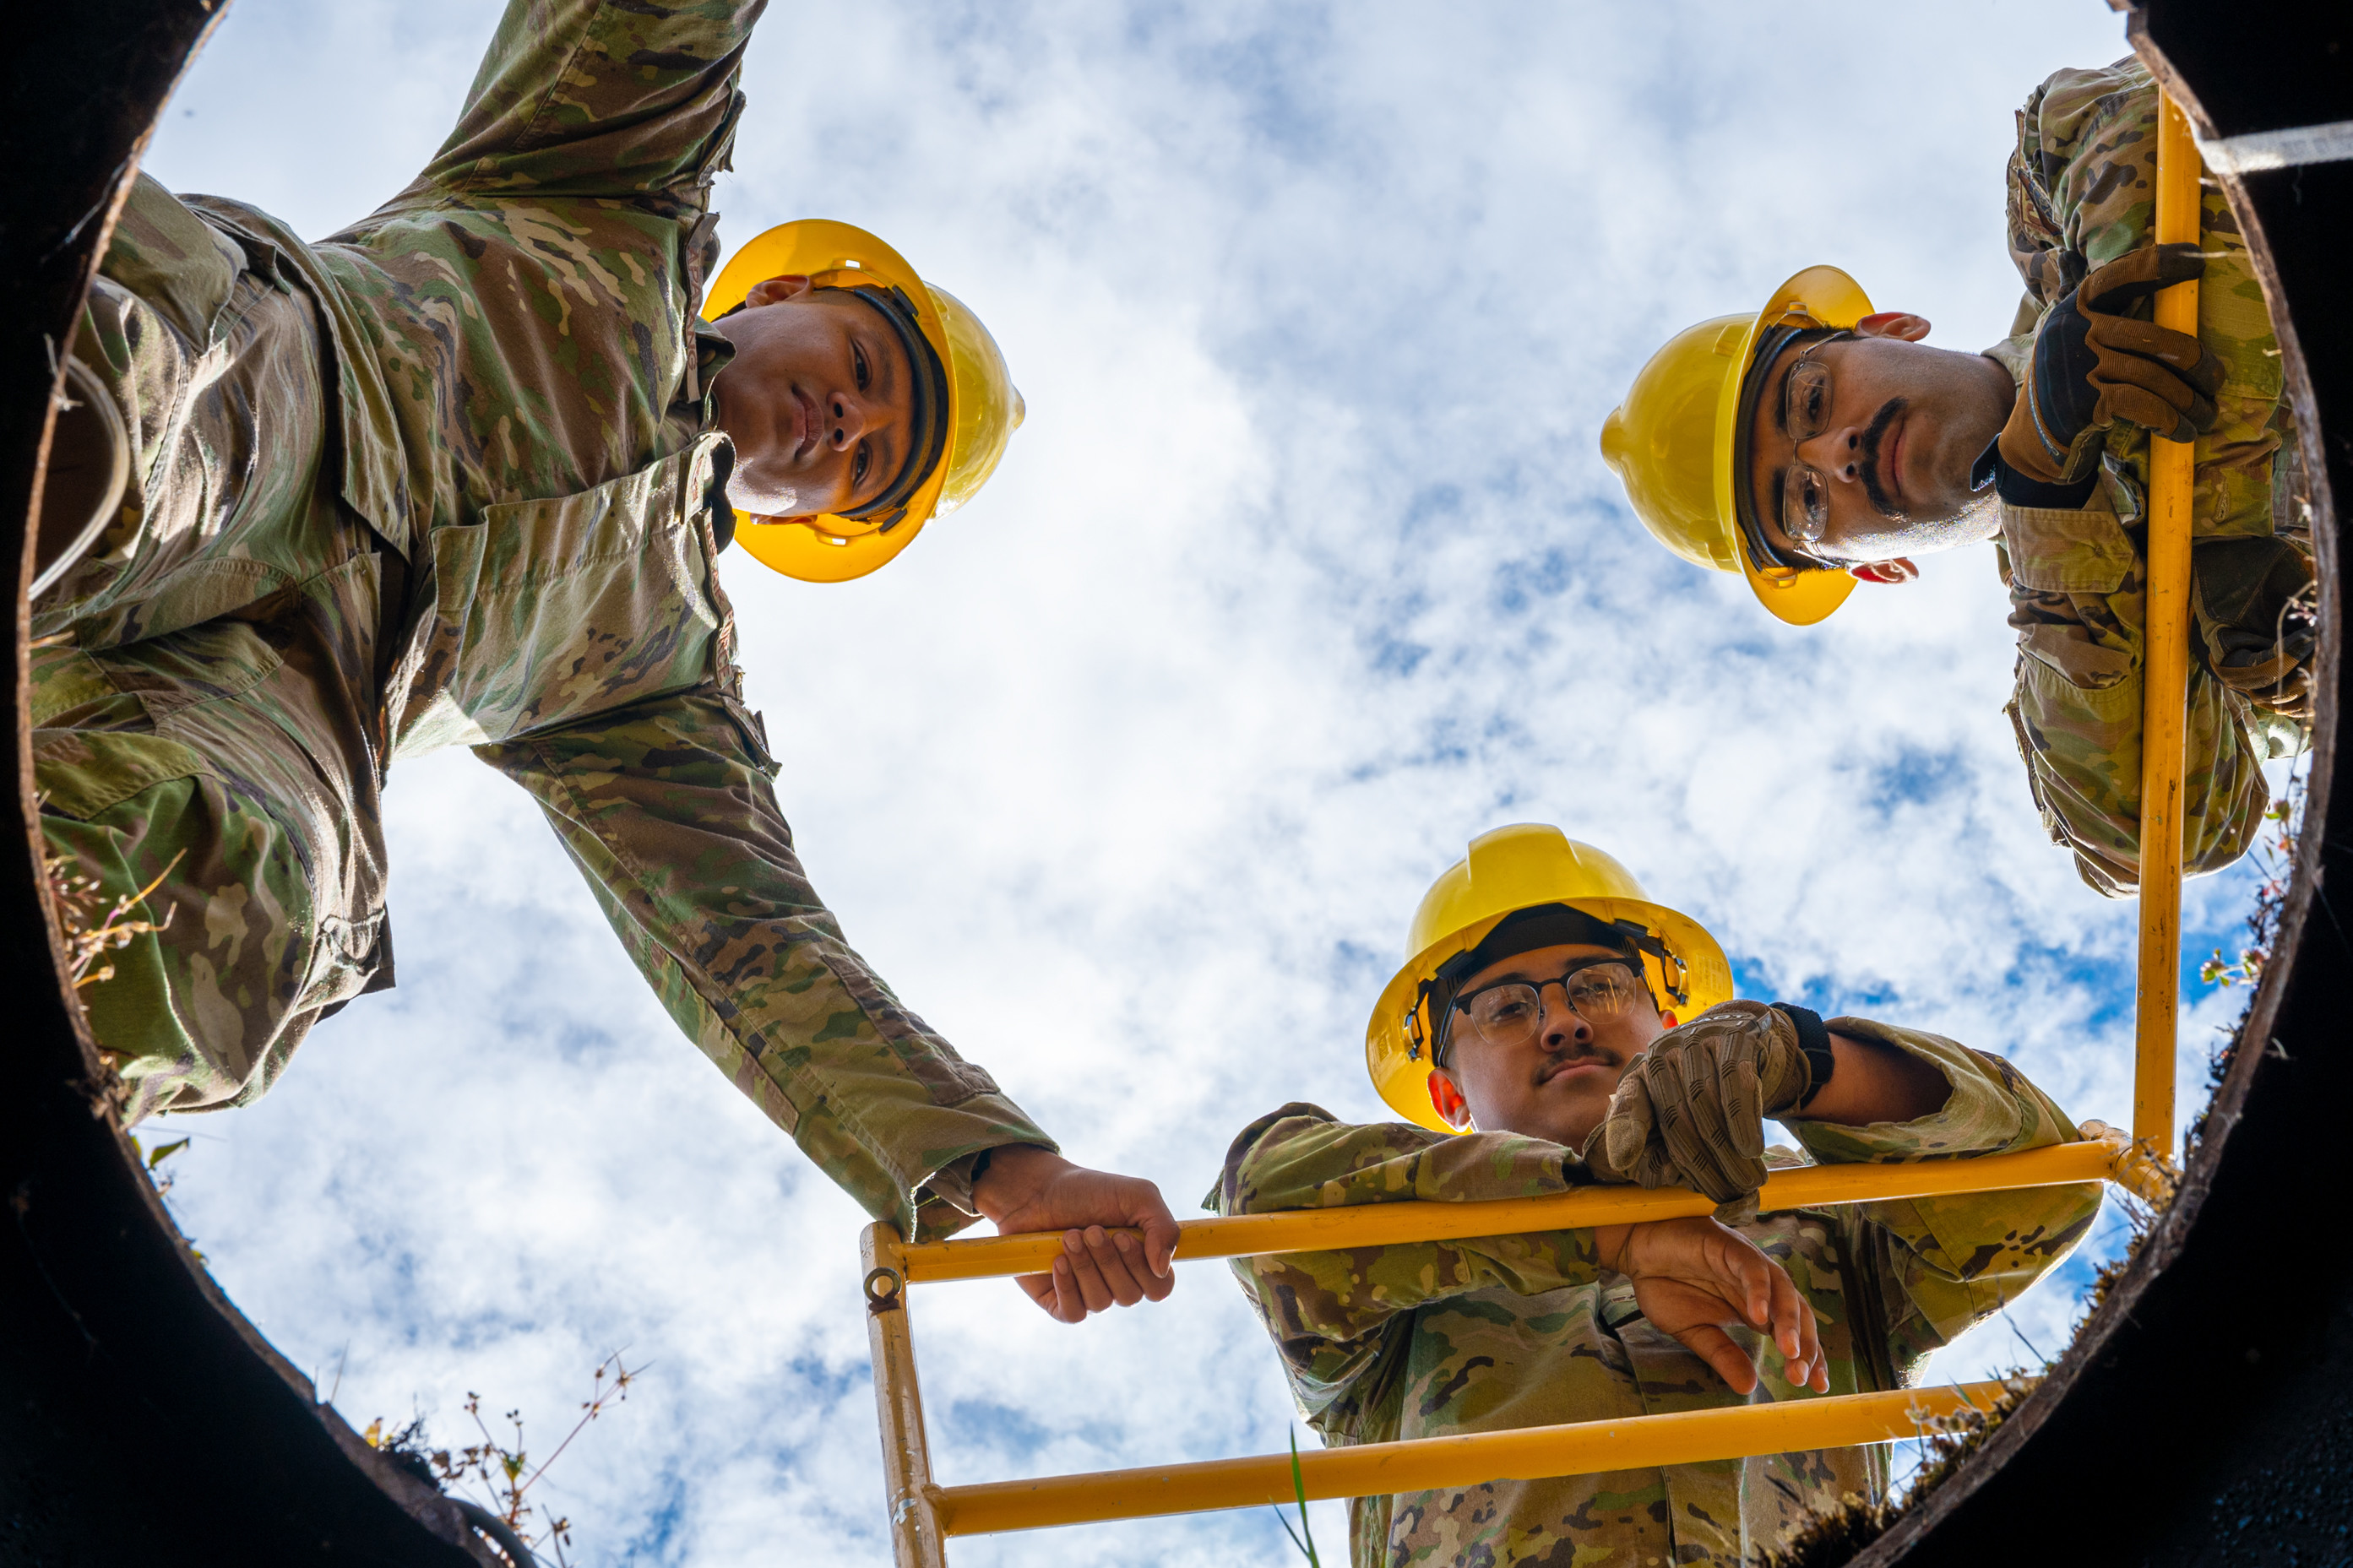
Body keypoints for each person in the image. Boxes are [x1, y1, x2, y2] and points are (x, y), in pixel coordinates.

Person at [30, 0, 1174, 1323]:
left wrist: (1005, 1171)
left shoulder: (659, 684)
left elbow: (755, 948)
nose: (846, 419)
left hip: (300, 692)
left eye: (866, 460)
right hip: (284, 388)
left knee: (253, 901)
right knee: (154, 435)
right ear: (786, 295)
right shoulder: (603, 191)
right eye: (864, 367)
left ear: (820, 523)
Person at [1215, 823, 2101, 1565]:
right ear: (1447, 1096)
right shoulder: (1394, 1279)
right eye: (1506, 1007)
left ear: (1667, 1022)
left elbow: (2042, 1188)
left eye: (1598, 985)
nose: (1563, 1021)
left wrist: (1802, 1060)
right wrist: (1613, 1235)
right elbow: (1261, 1191)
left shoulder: (1820, 1211)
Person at [1598, 57, 2312, 897]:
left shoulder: (2051, 186)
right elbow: (2162, 838)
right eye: (1804, 502)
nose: (1834, 456)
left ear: (1887, 326)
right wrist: (2042, 488)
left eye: (1811, 400)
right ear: (1873, 569)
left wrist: (2201, 504)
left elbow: (2162, 131)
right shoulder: (2080, 653)